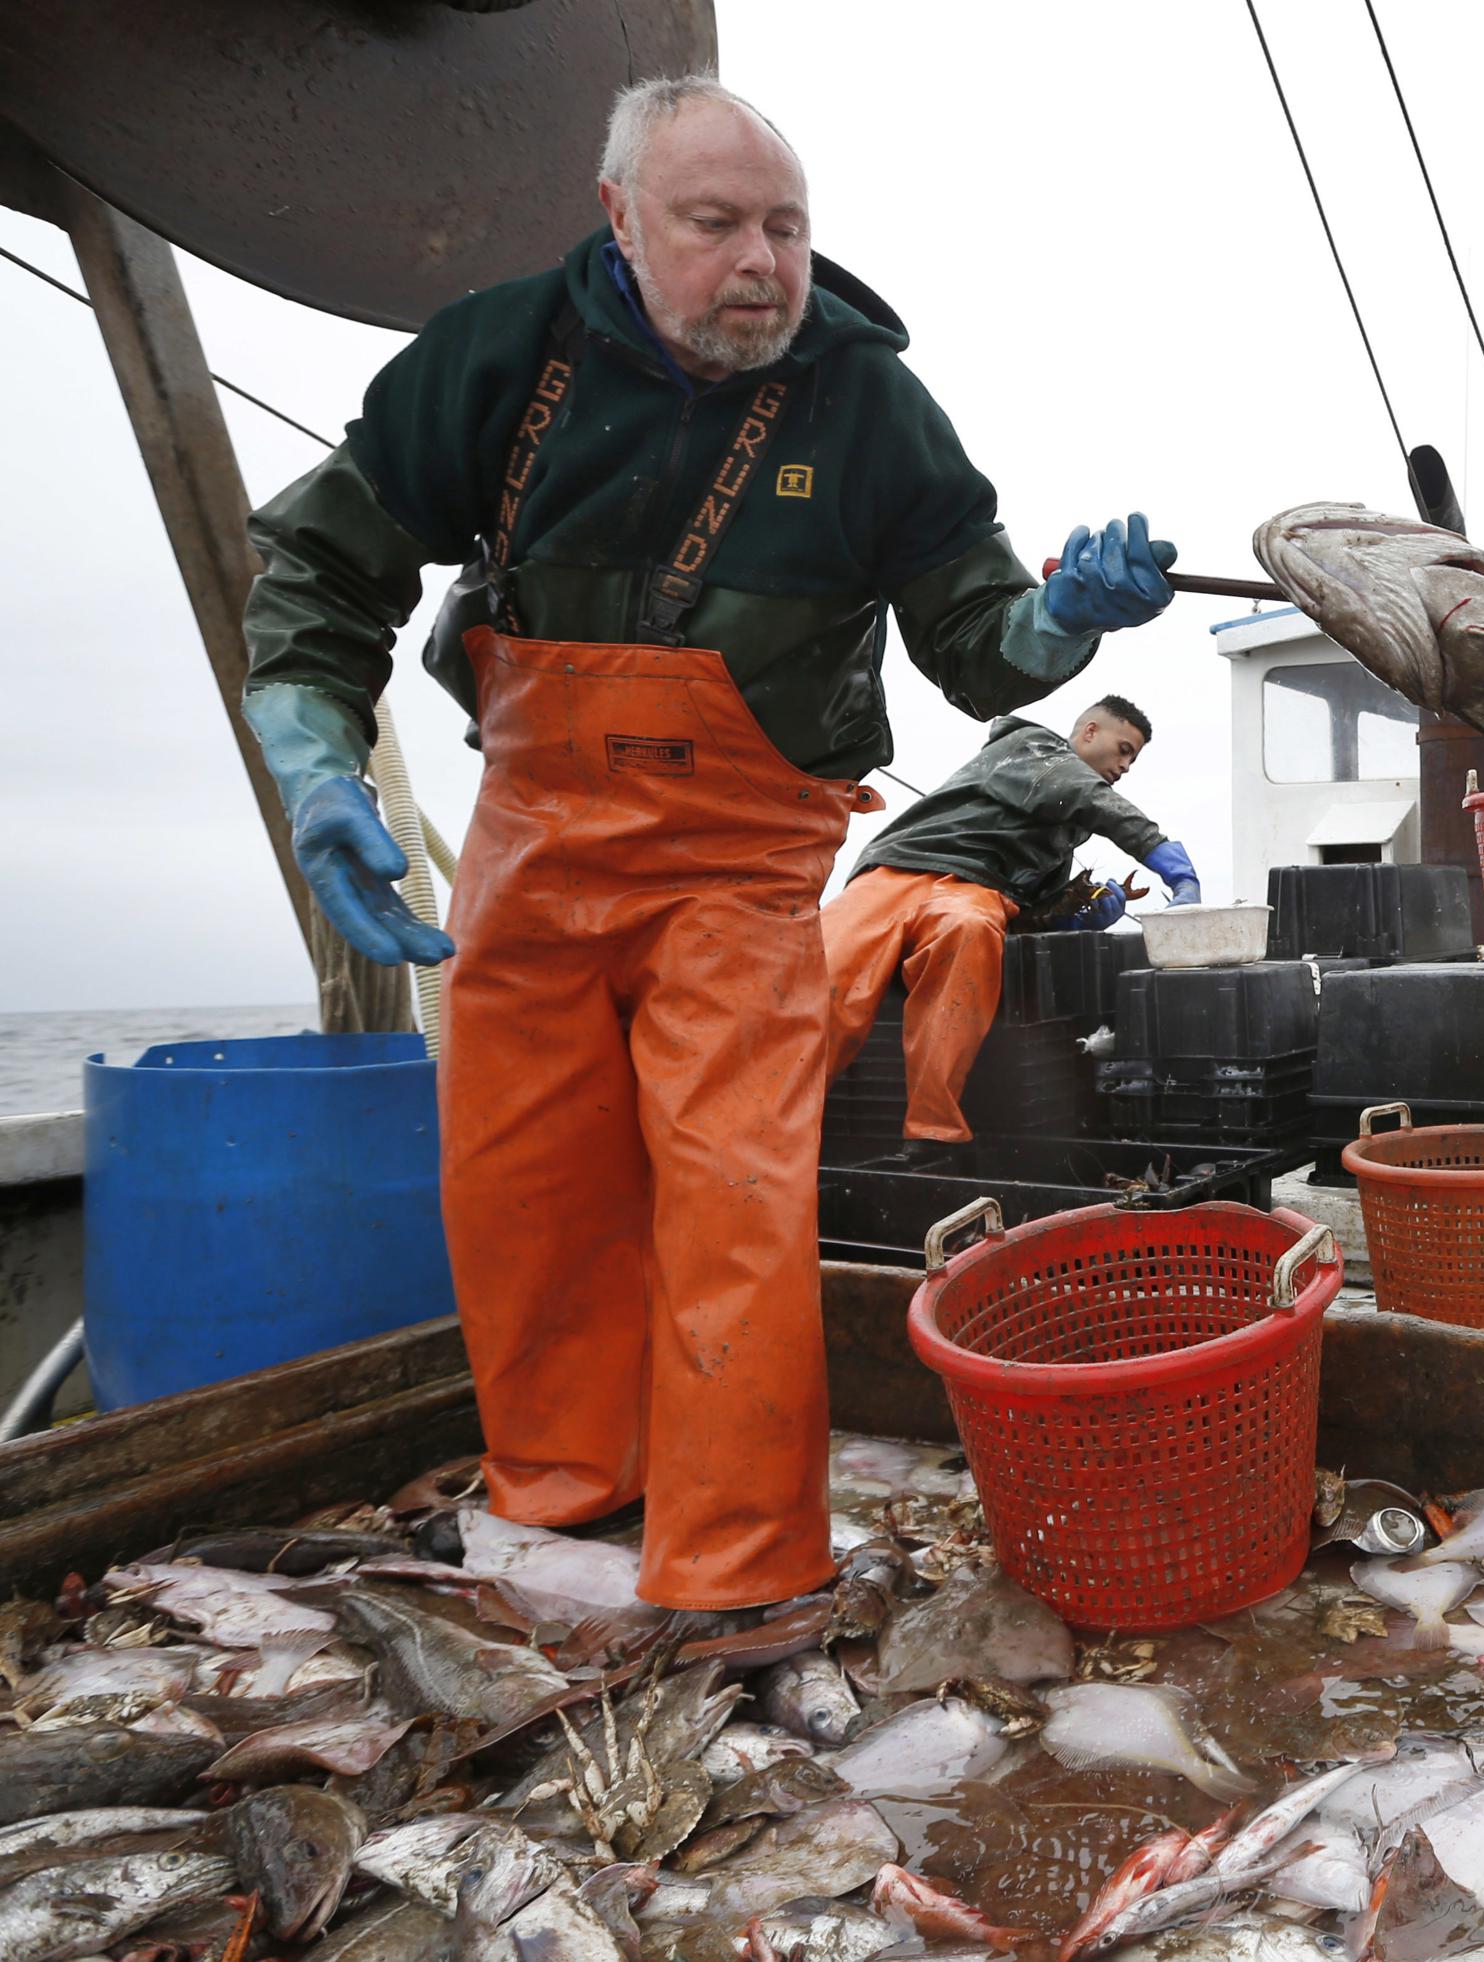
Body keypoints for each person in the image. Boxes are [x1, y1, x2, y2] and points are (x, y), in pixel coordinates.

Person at [232, 73, 1179, 1612]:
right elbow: (325, 563)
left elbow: (980, 644)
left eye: (786, 228)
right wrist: (313, 757)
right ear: (619, 218)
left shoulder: (871, 404)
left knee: (731, 1193)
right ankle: (560, 1509)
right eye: (717, 223)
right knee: (518, 1182)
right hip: (529, 835)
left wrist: (1063, 617)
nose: (762, 261)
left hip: (742, 860)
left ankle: (737, 1575)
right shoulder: (492, 356)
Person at [821, 696, 1197, 1144]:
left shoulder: (1059, 840)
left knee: (973, 933)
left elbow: (1022, 921)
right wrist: (1170, 863)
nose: (1128, 765)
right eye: (1124, 749)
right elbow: (1087, 794)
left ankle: (931, 1134)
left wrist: (1076, 916)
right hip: (892, 874)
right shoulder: (1030, 746)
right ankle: (771, 1116)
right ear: (1091, 731)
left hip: (970, 900)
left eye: (1134, 758)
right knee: (819, 986)